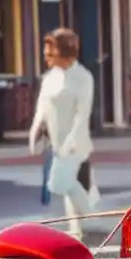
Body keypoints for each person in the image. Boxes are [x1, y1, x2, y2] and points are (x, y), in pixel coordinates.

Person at [28, 28, 100, 240]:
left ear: (64, 53)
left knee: (60, 183)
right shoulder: (50, 78)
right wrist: (34, 131)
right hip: (56, 141)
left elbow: (83, 112)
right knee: (69, 184)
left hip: (76, 143)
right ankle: (77, 227)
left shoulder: (83, 77)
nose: (46, 58)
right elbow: (41, 106)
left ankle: (89, 215)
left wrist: (73, 139)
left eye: (51, 54)